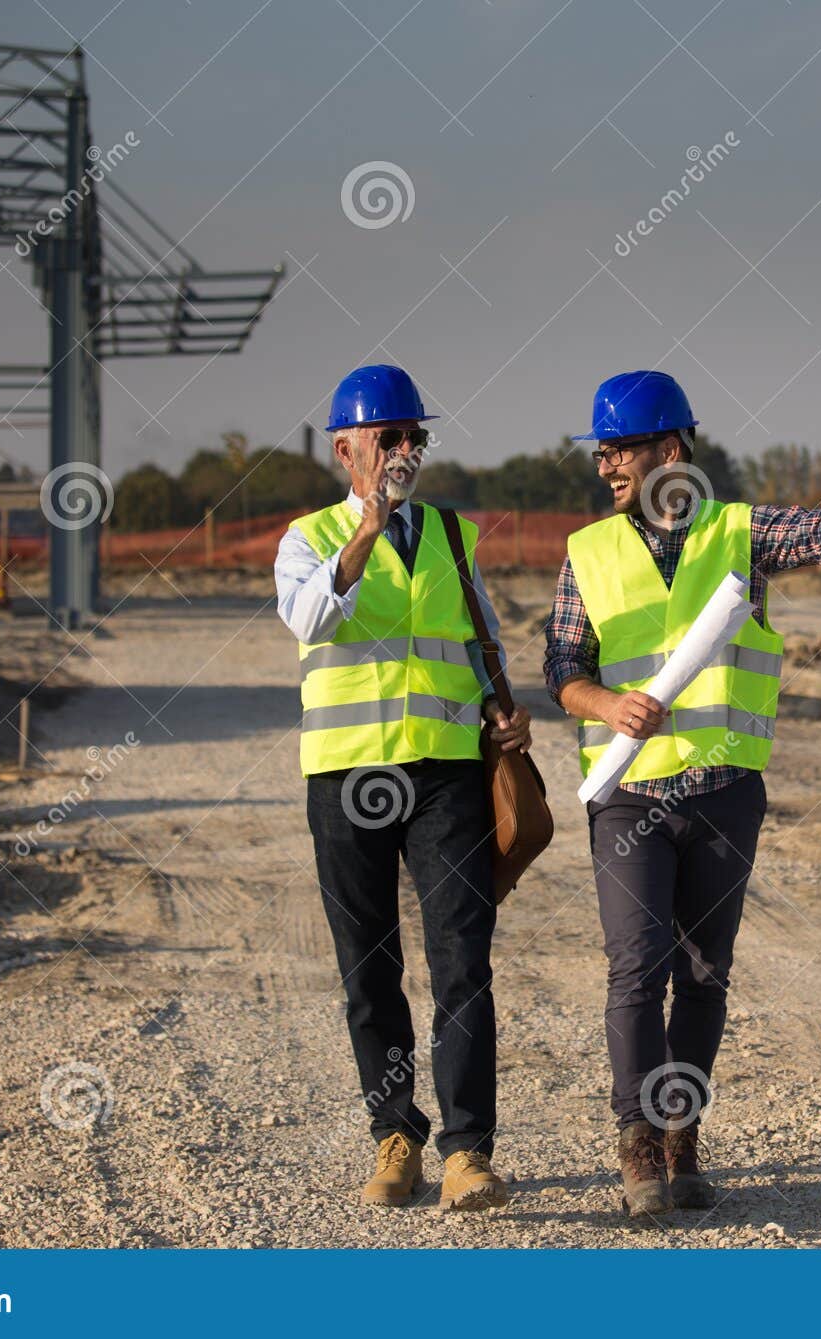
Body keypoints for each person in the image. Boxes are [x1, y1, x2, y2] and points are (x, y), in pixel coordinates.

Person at [543, 369, 821, 1217]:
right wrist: (607, 704)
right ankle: (636, 1141)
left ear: (669, 450)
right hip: (630, 796)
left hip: (723, 793)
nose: (606, 465)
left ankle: (682, 1136)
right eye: (599, 452)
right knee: (637, 968)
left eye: (619, 449)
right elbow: (563, 668)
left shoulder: (739, 532)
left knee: (705, 977)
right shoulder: (588, 553)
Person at [275, 363, 530, 1212]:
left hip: (445, 773)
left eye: (412, 436)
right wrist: (367, 533)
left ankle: (468, 1150)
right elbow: (308, 618)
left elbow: (483, 638)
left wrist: (503, 713)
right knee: (369, 966)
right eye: (387, 437)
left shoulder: (452, 538)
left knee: (463, 960)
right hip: (347, 776)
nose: (402, 451)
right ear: (344, 448)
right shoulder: (308, 538)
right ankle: (395, 1136)